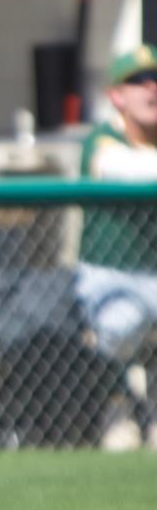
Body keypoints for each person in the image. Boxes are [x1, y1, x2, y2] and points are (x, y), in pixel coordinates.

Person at [76, 45, 157, 451]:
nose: (151, 89)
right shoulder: (102, 139)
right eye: (138, 82)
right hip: (111, 276)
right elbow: (122, 169)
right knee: (123, 321)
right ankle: (118, 403)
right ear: (116, 96)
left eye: (155, 79)